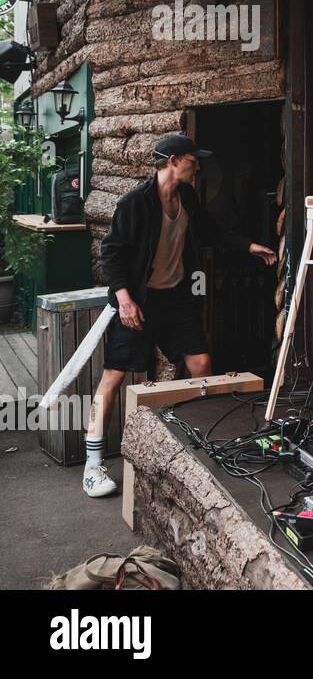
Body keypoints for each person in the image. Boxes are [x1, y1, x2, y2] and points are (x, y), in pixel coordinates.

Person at [84, 134, 277, 497]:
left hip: (174, 298)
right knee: (113, 377)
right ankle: (93, 465)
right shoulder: (135, 204)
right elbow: (111, 253)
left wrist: (249, 246)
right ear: (173, 160)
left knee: (202, 363)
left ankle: (201, 441)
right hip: (138, 301)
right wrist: (124, 300)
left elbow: (210, 231)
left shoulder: (186, 196)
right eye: (193, 159)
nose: (199, 165)